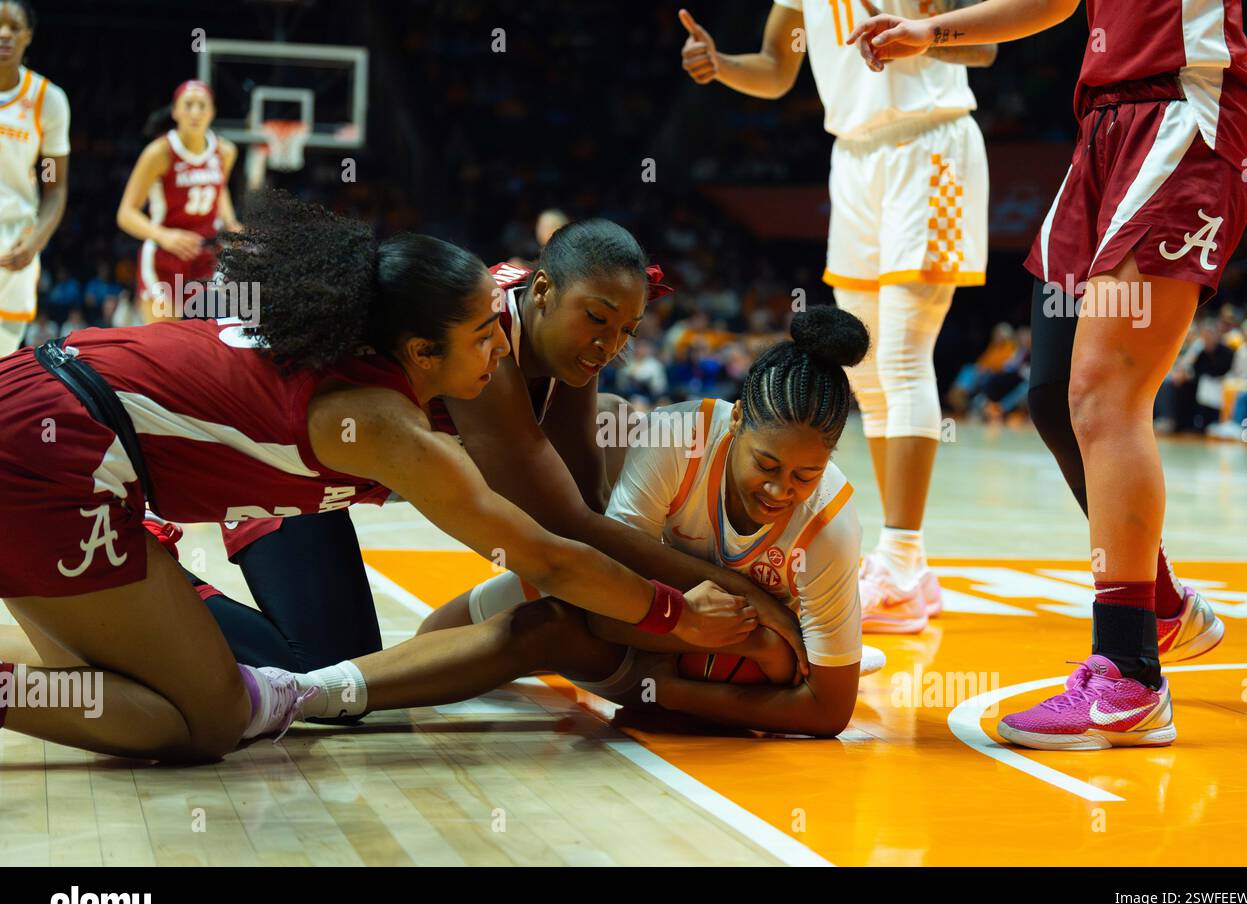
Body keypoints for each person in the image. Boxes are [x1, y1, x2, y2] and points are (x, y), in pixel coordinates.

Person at [0, 190, 754, 762]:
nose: (498, 355)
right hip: (67, 451)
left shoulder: (428, 337)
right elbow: (552, 547)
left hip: (58, 419)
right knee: (218, 716)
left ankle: (118, 618)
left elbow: (570, 509)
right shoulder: (395, 422)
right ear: (423, 352)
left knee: (159, 681)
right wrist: (676, 613)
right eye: (484, 337)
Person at [850, 0, 1247, 748]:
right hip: (1103, 131)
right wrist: (931, 33)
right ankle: (1159, 604)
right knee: (1051, 394)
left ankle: (1130, 675)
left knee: (1106, 400)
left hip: (1181, 113)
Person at [170, 219, 805, 690]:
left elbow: (588, 511)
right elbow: (564, 529)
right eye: (598, 319)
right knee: (324, 675)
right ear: (545, 291)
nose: (610, 345)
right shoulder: (486, 334)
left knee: (353, 671)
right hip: (279, 468)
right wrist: (742, 594)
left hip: (329, 480)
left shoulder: (562, 355)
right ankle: (158, 594)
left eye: (627, 332)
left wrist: (695, 590)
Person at [290, 306, 877, 738]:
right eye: (766, 465)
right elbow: (603, 598)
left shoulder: (830, 526)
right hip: (640, 611)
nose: (781, 490)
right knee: (436, 634)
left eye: (805, 477)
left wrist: (678, 695)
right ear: (738, 421)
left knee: (542, 630)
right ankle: (315, 688)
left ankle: (302, 696)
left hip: (694, 656)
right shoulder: (681, 433)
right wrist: (715, 618)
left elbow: (827, 710)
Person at [678, 1, 995, 634]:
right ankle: (911, 567)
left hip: (930, 144)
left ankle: (901, 563)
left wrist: (922, 40)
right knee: (869, 370)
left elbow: (983, 46)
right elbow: (774, 68)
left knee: (904, 358)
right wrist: (722, 65)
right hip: (854, 157)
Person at [116, 79, 241, 322]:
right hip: (165, 256)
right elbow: (125, 214)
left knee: (208, 344)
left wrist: (231, 222)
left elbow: (219, 188)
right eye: (188, 105)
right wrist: (164, 235)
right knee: (162, 346)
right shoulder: (159, 153)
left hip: (207, 255)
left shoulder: (226, 151)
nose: (195, 112)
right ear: (175, 111)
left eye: (202, 105)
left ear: (212, 112)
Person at [0, 0, 70, 356]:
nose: (4, 34)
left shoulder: (48, 100)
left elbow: (55, 187)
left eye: (14, 27)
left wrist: (35, 242)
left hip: (16, 238)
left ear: (28, 35)